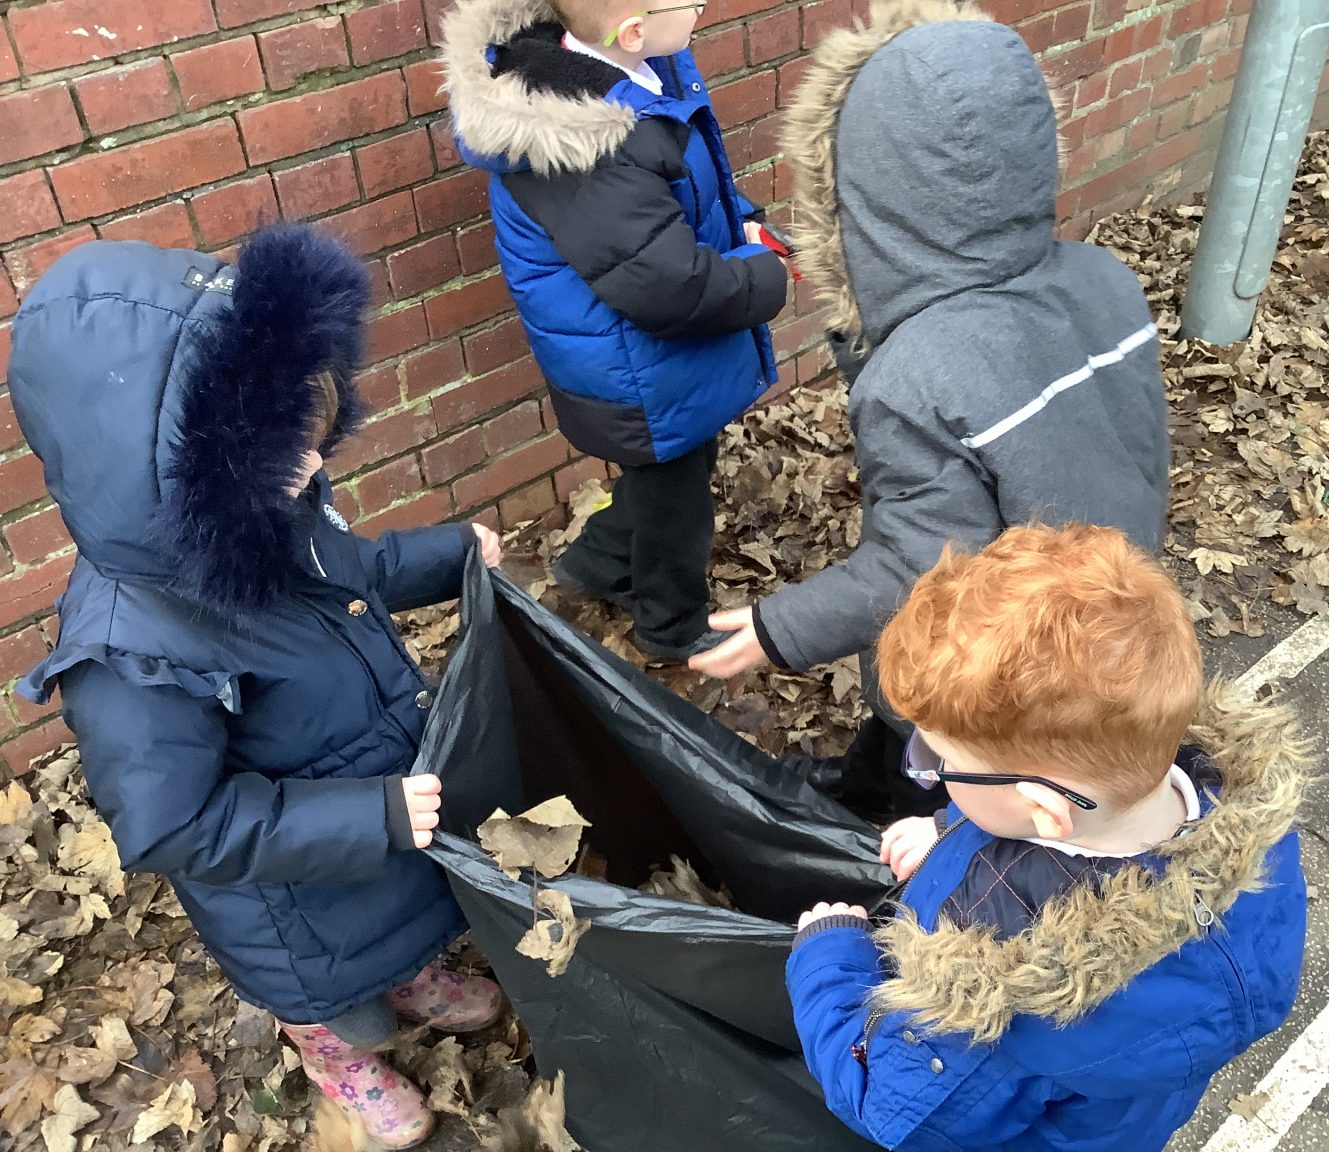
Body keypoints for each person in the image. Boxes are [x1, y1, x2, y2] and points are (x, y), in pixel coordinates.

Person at [12, 225, 507, 1152]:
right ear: (171, 475)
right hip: (294, 893)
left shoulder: (270, 516)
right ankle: (339, 1059)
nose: (315, 469)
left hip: (377, 803)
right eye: (284, 451)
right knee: (340, 996)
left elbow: (355, 567)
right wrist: (371, 817)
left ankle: (410, 972)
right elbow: (175, 824)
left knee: (401, 915)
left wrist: (451, 557)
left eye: (312, 440)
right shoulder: (130, 653)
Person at [689, 0, 1171, 814]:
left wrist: (782, 628)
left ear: (865, 206)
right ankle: (877, 772)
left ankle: (896, 823)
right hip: (1114, 605)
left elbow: (921, 563)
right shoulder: (1102, 280)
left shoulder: (915, 377)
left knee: (942, 749)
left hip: (1003, 662)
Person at [786, 524, 1310, 1152]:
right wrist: (947, 829)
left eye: (939, 760)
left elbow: (887, 1105)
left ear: (1043, 811)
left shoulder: (1002, 1005)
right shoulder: (1239, 818)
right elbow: (1030, 812)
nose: (931, 770)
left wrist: (827, 960)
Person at [443, 0, 789, 661]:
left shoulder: (643, 70)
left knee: (676, 470)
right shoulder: (582, 141)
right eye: (688, 2)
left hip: (652, 361)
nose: (701, 6)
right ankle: (671, 628)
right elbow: (665, 285)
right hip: (634, 368)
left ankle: (596, 562)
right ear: (631, 29)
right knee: (676, 505)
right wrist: (764, 276)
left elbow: (687, 187)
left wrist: (740, 220)